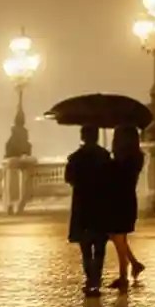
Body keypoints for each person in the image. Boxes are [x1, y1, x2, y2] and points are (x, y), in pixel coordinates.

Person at [65, 125, 111, 298]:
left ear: (83, 137)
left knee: (85, 248)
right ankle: (96, 281)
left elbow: (69, 179)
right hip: (100, 207)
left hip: (82, 207)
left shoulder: (75, 158)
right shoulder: (105, 156)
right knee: (100, 247)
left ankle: (90, 279)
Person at [106, 126, 146, 292]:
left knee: (116, 234)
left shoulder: (122, 162)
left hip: (119, 199)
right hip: (128, 199)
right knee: (118, 235)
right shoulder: (136, 158)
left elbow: (114, 178)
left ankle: (125, 273)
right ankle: (132, 265)